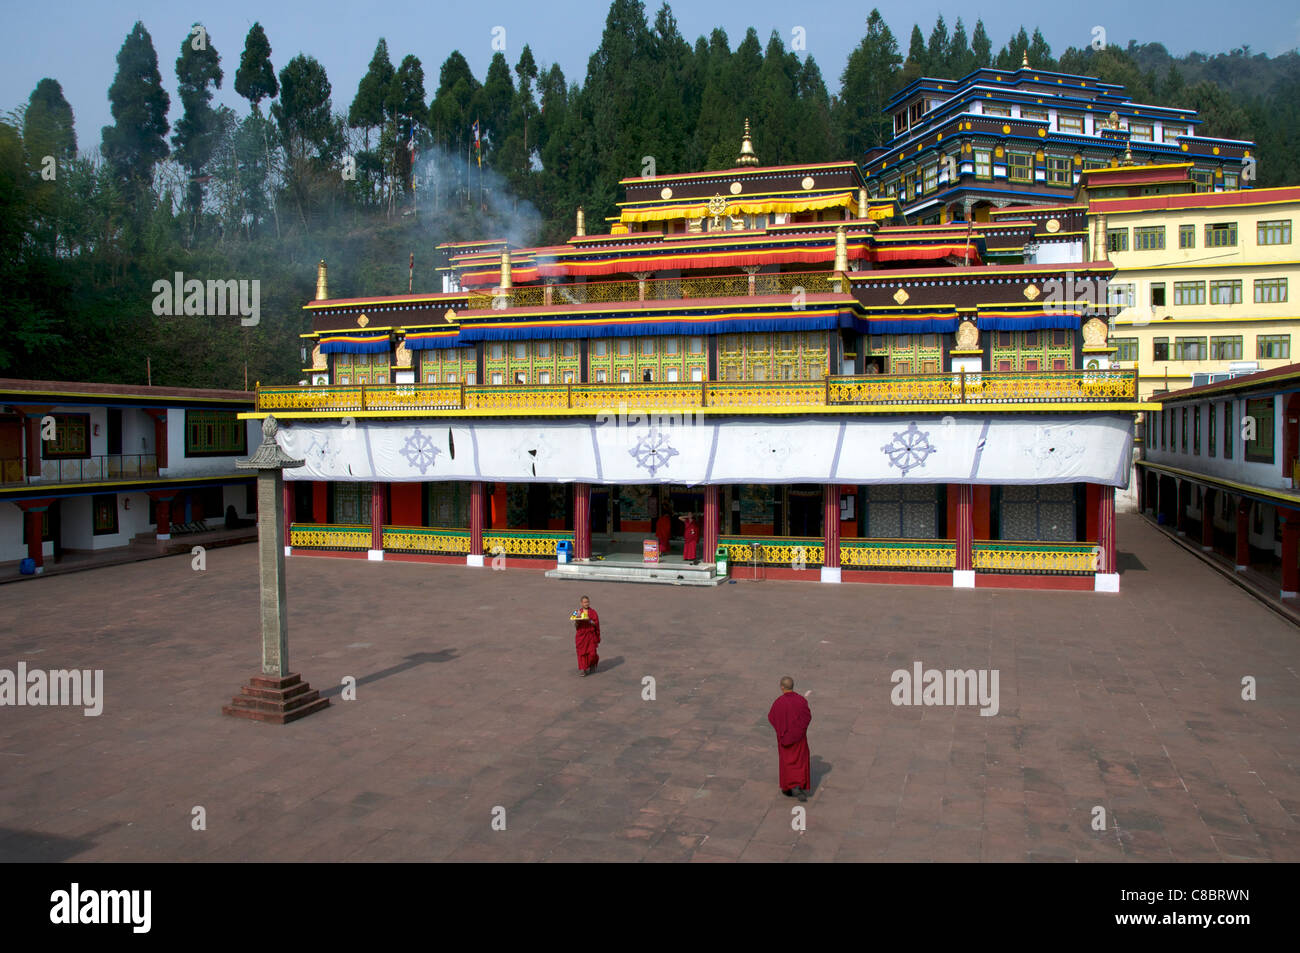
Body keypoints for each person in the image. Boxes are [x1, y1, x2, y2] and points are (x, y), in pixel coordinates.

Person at [767, 676, 812, 800]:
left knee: (786, 762)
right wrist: (801, 731)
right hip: (799, 739)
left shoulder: (779, 702)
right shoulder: (801, 701)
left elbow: (772, 717)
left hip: (784, 738)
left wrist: (781, 730)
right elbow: (807, 717)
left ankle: (788, 787)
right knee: (800, 761)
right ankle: (798, 785)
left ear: (782, 687)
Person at [573, 595, 601, 676]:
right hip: (581, 636)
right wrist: (577, 620)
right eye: (584, 602)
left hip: (590, 635)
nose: (586, 604)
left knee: (592, 653)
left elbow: (596, 623)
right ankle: (584, 670)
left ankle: (592, 664)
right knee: (582, 654)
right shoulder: (577, 611)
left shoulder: (593, 612)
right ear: (581, 603)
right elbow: (575, 624)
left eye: (587, 602)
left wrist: (589, 620)